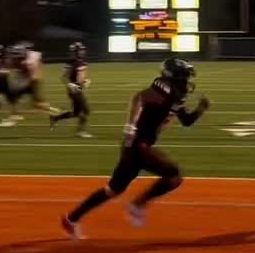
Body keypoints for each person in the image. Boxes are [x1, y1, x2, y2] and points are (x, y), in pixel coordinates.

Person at [59, 58, 209, 240]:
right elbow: (139, 98)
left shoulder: (176, 93)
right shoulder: (164, 87)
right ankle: (138, 205)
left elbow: (186, 121)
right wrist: (130, 127)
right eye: (184, 75)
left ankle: (71, 219)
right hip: (138, 143)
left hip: (136, 146)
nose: (187, 80)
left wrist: (201, 109)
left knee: (113, 190)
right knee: (173, 175)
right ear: (174, 75)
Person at [49, 42, 93, 138]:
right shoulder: (71, 62)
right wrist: (70, 84)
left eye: (82, 50)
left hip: (79, 89)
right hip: (74, 90)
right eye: (80, 50)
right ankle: (80, 131)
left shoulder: (81, 61)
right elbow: (63, 77)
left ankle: (55, 118)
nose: (82, 51)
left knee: (76, 113)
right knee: (86, 110)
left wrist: (86, 81)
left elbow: (80, 77)